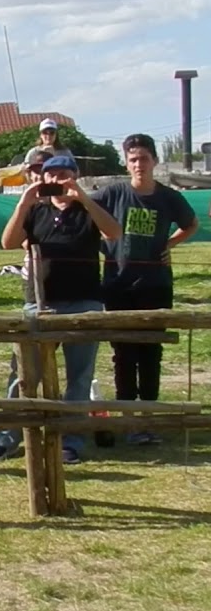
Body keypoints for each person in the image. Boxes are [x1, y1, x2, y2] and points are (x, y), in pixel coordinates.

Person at [0, 153, 122, 464]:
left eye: (63, 174)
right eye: (51, 175)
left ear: (74, 176)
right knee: (24, 374)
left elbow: (114, 233)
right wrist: (24, 202)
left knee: (79, 376)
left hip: (84, 301)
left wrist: (83, 198)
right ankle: (9, 438)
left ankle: (71, 440)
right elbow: (8, 242)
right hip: (40, 302)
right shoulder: (36, 210)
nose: (57, 180)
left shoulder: (88, 209)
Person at [92, 133, 198, 446]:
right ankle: (128, 420)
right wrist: (100, 241)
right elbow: (83, 212)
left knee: (151, 353)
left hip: (155, 285)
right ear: (126, 163)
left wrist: (170, 244)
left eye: (144, 158)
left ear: (155, 161)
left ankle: (148, 421)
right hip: (118, 284)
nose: (139, 164)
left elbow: (191, 224)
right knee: (124, 354)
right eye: (133, 159)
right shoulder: (112, 193)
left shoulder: (168, 197)